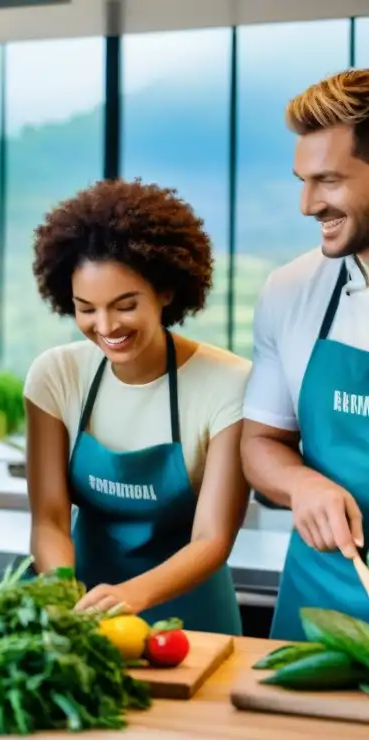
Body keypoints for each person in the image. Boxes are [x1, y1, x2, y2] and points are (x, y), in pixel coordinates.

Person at [23, 178, 251, 634]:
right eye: (85, 308)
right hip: (80, 602)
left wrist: (132, 596)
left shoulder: (229, 383)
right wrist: (64, 590)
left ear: (165, 291)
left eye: (125, 305)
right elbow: (49, 518)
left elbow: (212, 538)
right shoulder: (57, 375)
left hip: (192, 617)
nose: (105, 325)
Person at [241, 69, 369, 641]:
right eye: (302, 180)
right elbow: (262, 443)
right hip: (317, 613)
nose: (307, 204)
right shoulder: (290, 290)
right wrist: (302, 486)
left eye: (328, 181)